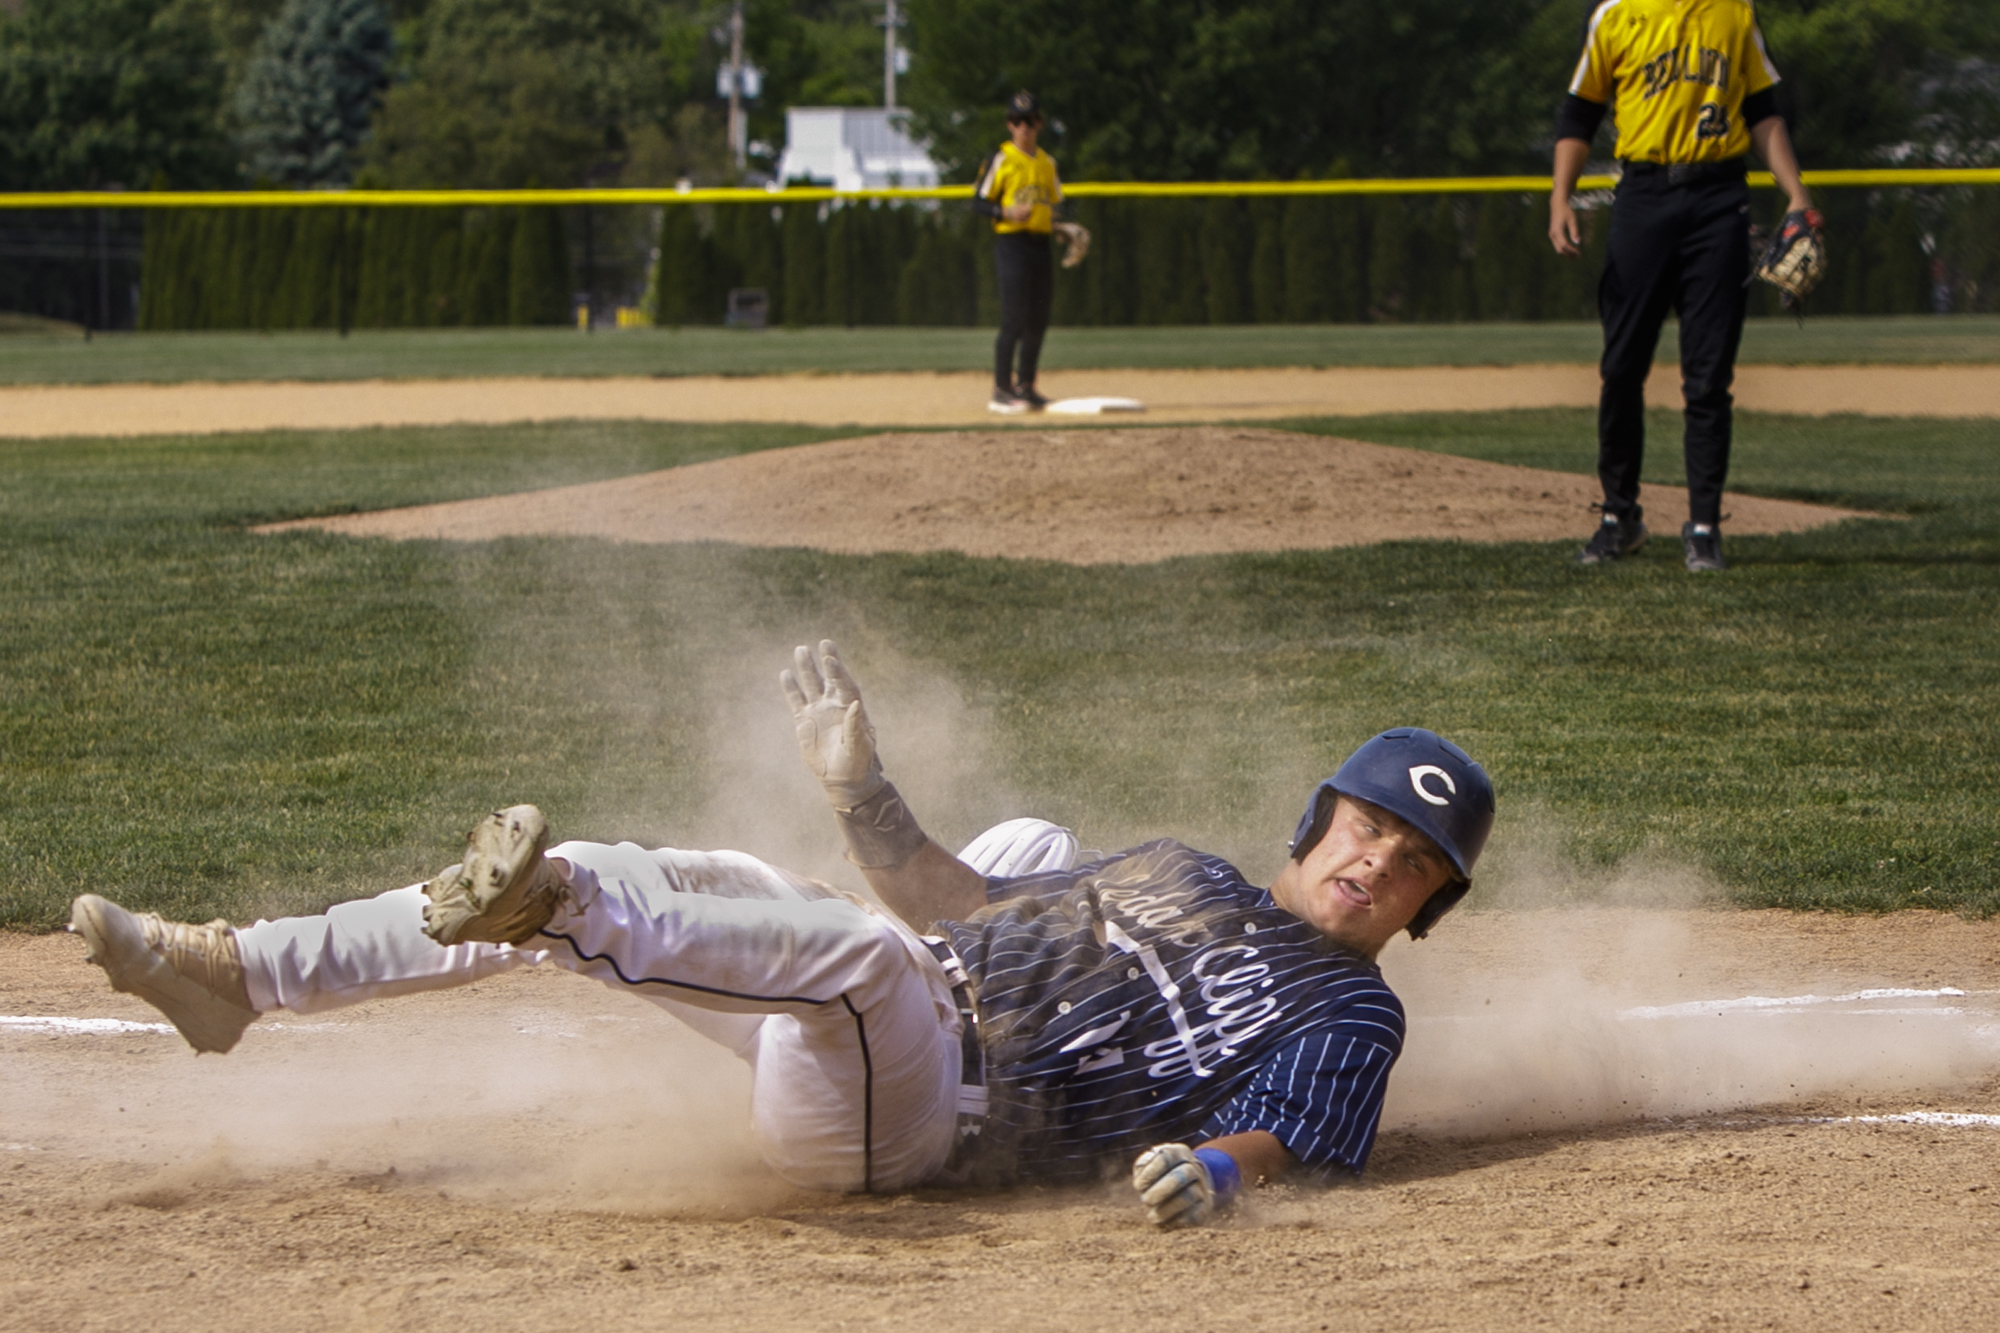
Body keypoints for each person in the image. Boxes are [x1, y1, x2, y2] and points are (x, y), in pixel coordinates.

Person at [70, 641, 1495, 1228]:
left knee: (852, 961)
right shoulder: (1175, 866)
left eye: (1415, 861)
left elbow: (1294, 1133)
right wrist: (856, 789)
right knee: (687, 868)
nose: (1378, 862)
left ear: (1428, 906)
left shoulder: (1351, 1012)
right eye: (1368, 826)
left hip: (932, 1122)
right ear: (1316, 823)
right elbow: (949, 899)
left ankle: (559, 909)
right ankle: (239, 973)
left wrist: (1213, 1172)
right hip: (899, 1030)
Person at [1550, 0, 1817, 573]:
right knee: (1621, 367)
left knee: (1708, 376)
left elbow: (1764, 110)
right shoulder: (1616, 15)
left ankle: (1703, 529)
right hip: (1643, 197)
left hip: (1718, 200)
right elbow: (1580, 113)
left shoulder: (1734, 13)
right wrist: (1559, 197)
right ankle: (1619, 518)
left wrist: (1797, 193)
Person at [973, 91, 1063, 415]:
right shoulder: (1001, 158)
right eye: (1017, 120)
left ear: (1039, 124)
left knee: (1038, 320)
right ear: (1009, 125)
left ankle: (1026, 385)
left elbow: (1052, 205)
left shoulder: (1047, 163)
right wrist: (1005, 212)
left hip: (1040, 245)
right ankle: (1001, 387)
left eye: (1030, 120)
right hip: (1012, 245)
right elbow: (978, 203)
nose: (1023, 126)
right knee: (1014, 317)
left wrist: (1061, 227)